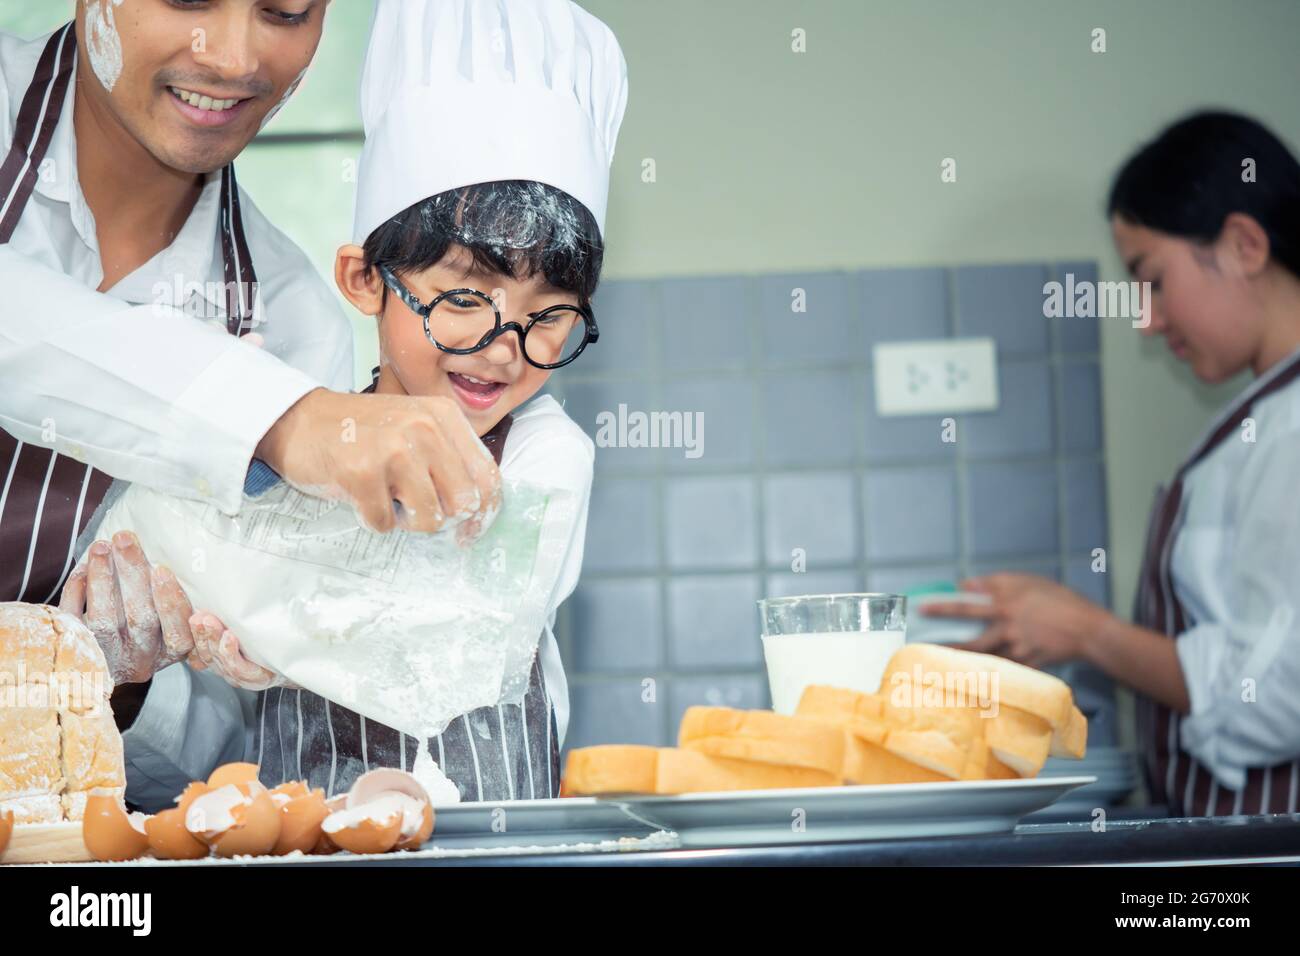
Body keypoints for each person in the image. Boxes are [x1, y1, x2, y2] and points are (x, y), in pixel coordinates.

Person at [71, 0, 628, 805]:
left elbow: (455, 633)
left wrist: (264, 588)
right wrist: (133, 673)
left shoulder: (544, 461)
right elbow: (195, 762)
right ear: (365, 280)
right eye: (465, 300)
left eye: (551, 315)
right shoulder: (286, 449)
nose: (507, 347)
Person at [1, 1, 502, 766]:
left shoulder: (295, 323)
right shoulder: (293, 399)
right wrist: (278, 420)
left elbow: (221, 745)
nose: (234, 57)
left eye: (285, 11)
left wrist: (127, 683)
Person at [922, 111, 1300, 816]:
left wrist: (1088, 633)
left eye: (1151, 279)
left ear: (1245, 244)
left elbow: (1280, 691)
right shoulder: (1268, 416)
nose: (1146, 320)